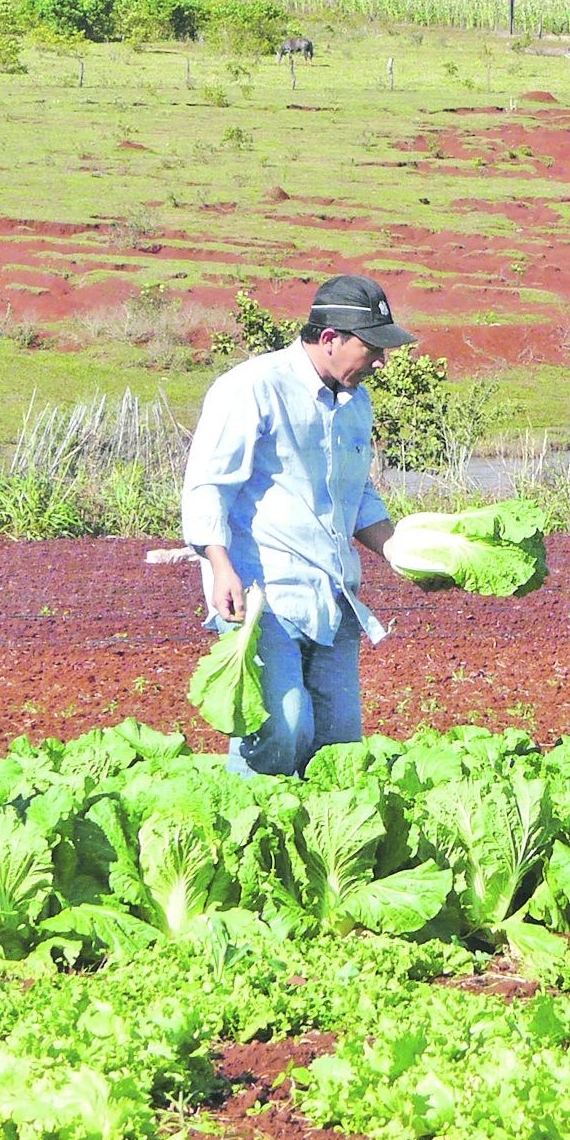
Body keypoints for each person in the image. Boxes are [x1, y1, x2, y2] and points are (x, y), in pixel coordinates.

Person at [181, 274, 415, 777]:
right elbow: (207, 486)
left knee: (337, 750)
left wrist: (398, 551)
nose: (382, 361)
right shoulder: (251, 387)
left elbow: (357, 495)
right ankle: (252, 836)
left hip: (333, 595)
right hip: (261, 592)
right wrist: (219, 566)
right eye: (372, 347)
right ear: (329, 339)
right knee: (282, 728)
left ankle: (316, 847)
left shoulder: (356, 402)